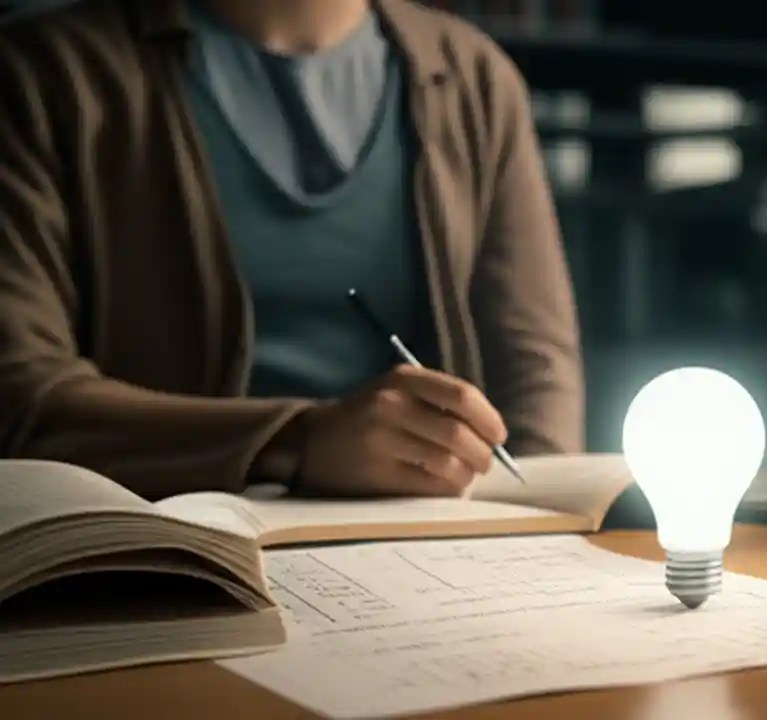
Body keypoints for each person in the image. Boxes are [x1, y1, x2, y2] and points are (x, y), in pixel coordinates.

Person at [0, 0, 584, 500]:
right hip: (158, 559)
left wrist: (539, 526)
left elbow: (536, 369)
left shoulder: (474, 80)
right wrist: (296, 440)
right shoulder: (45, 75)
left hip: (432, 559)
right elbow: (23, 394)